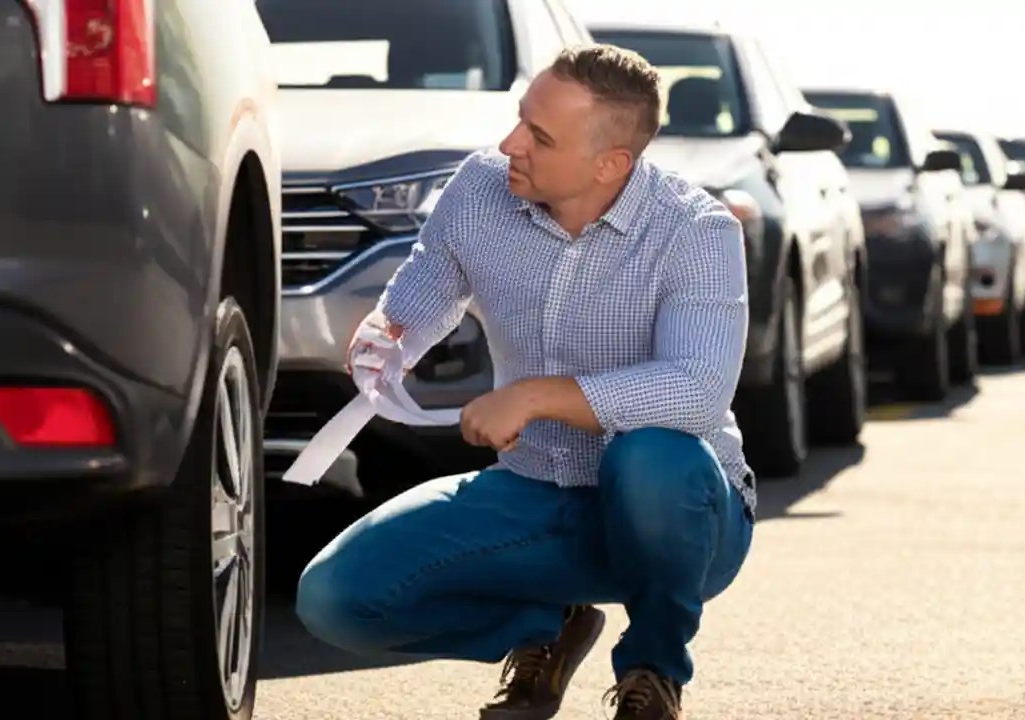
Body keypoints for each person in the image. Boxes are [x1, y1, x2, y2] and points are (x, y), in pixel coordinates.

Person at [295, 44, 756, 720]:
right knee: (335, 600)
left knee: (653, 452)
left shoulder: (696, 230)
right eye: (519, 120)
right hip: (537, 492)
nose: (511, 143)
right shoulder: (481, 187)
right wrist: (390, 334)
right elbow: (428, 280)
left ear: (610, 164)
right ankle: (546, 627)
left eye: (539, 137)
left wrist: (538, 396)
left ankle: (653, 672)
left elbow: (697, 391)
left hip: (684, 516)